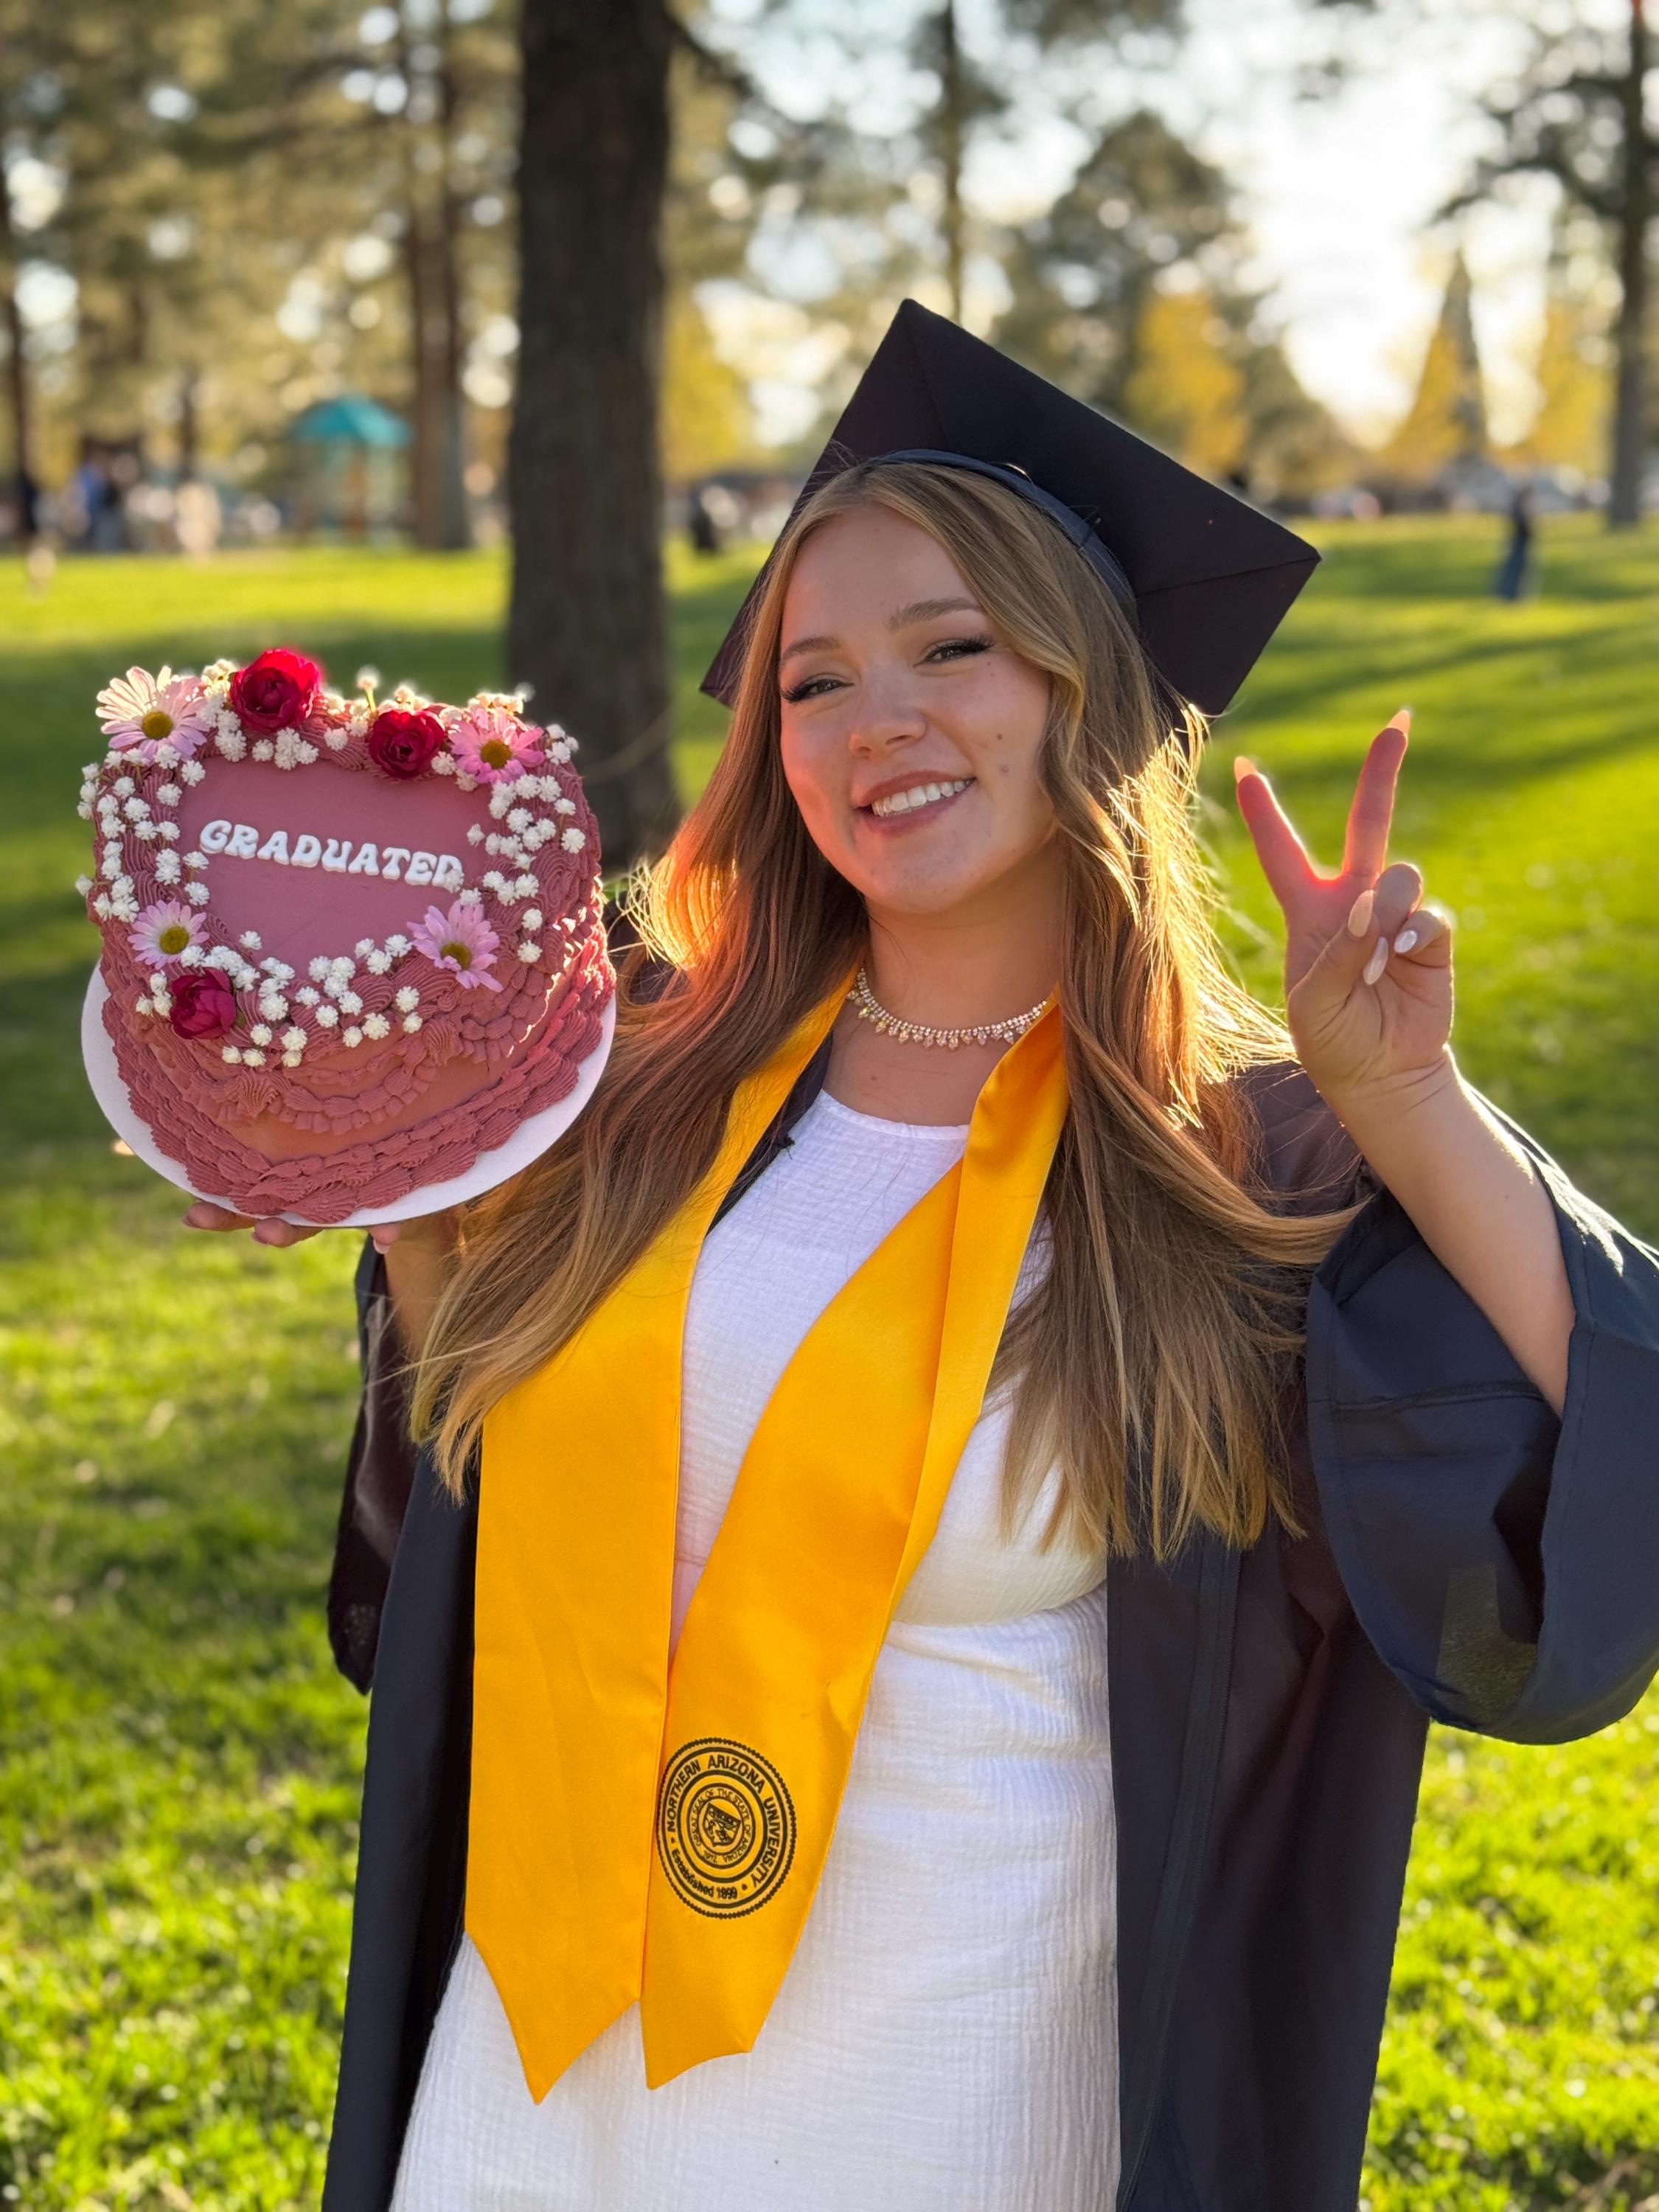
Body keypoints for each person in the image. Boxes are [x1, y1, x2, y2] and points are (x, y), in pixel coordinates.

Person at [187, 300, 1659, 2211]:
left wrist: (1410, 1104)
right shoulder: (639, 1067)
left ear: (1087, 687)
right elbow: (464, 1483)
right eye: (811, 678)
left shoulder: (1234, 1155)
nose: (874, 721)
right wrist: (395, 1182)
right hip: (540, 2071)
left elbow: (1608, 1475)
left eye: (952, 648)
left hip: (952, 2089)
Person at [1492, 479, 1537, 599]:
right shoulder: (1519, 506)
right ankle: (1510, 595)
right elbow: (1524, 526)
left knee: (1518, 570)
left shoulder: (1518, 505)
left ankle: (1512, 595)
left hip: (1520, 543)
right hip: (1520, 543)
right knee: (1515, 570)